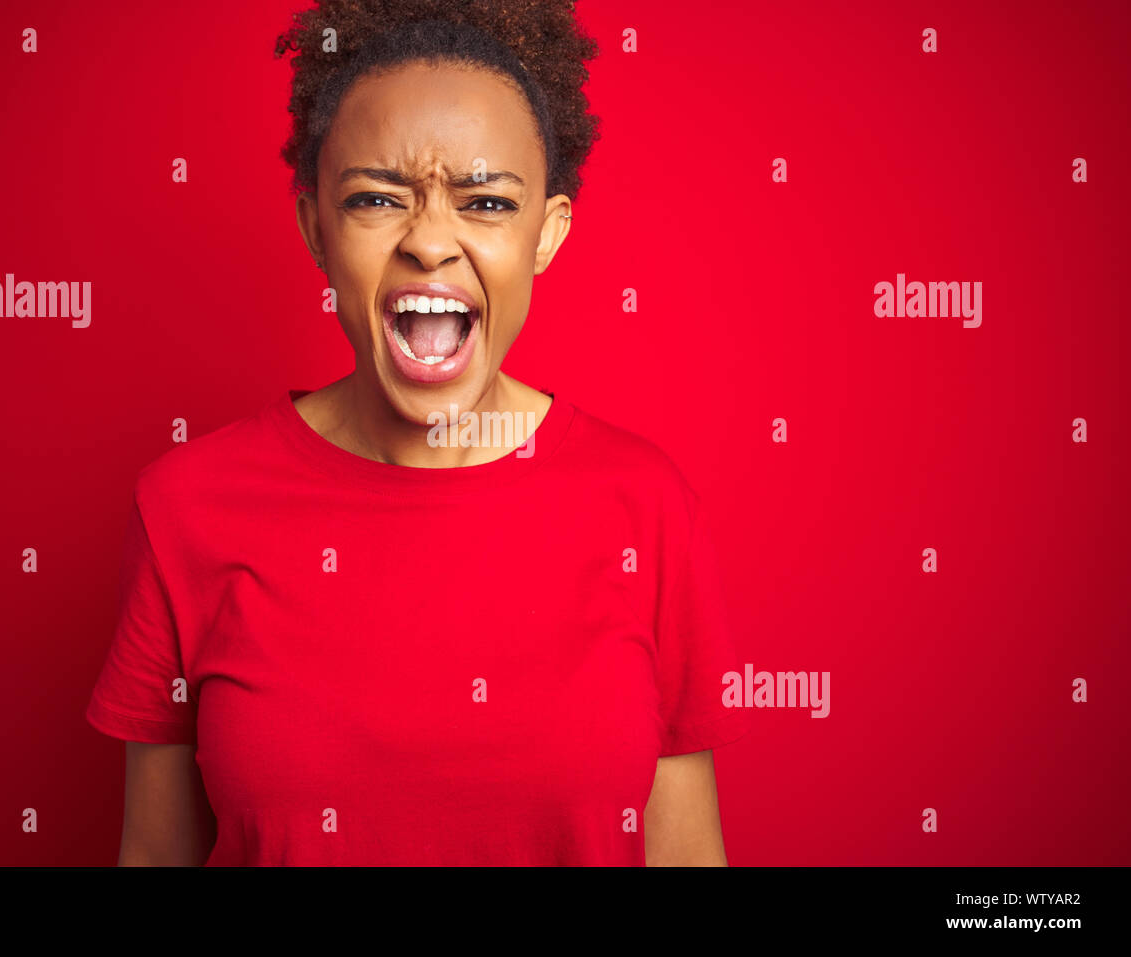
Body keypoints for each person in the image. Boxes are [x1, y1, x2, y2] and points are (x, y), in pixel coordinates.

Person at [86, 0, 750, 866]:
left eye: (485, 201)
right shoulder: (185, 507)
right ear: (315, 227)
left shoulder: (646, 505)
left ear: (546, 235)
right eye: (375, 199)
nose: (431, 243)